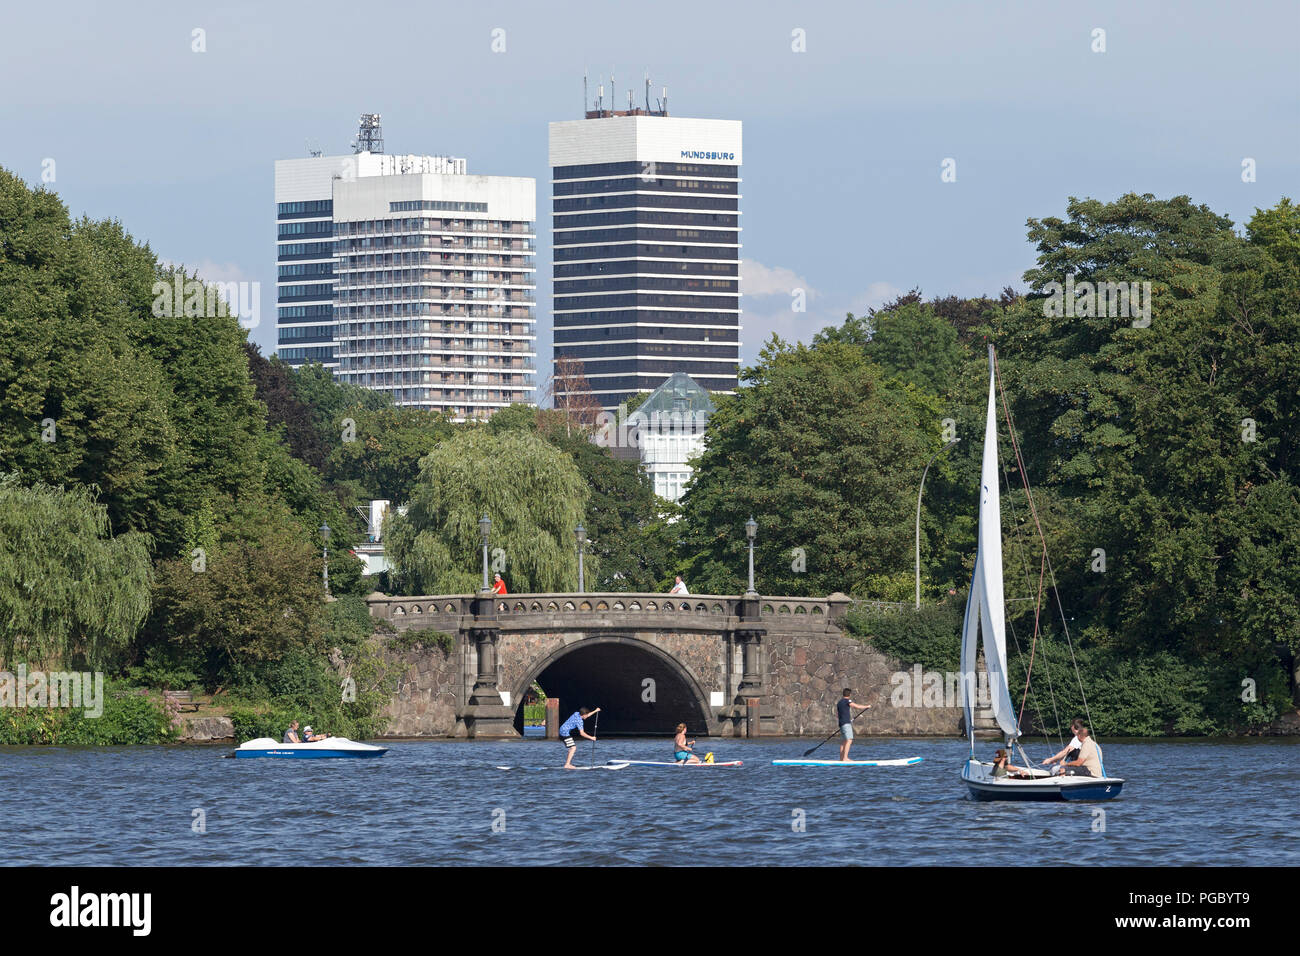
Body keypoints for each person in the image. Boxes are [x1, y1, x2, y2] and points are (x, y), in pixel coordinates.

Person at [836, 688, 872, 761]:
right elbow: (857, 706)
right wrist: (867, 707)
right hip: (846, 723)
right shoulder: (847, 701)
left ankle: (841, 758)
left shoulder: (839, 702)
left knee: (844, 741)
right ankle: (845, 758)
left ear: (843, 694)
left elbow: (841, 713)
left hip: (841, 723)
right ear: (849, 695)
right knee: (849, 740)